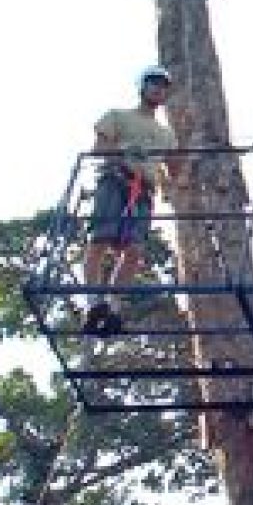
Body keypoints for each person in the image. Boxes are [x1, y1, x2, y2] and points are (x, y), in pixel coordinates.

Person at [80, 65, 178, 335]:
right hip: (115, 179)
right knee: (100, 240)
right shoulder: (118, 116)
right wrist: (123, 152)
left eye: (163, 86)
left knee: (134, 251)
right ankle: (93, 303)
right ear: (142, 87)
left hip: (144, 190)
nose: (158, 89)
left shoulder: (166, 135)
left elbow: (175, 169)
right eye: (153, 84)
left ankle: (112, 306)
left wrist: (174, 176)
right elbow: (99, 148)